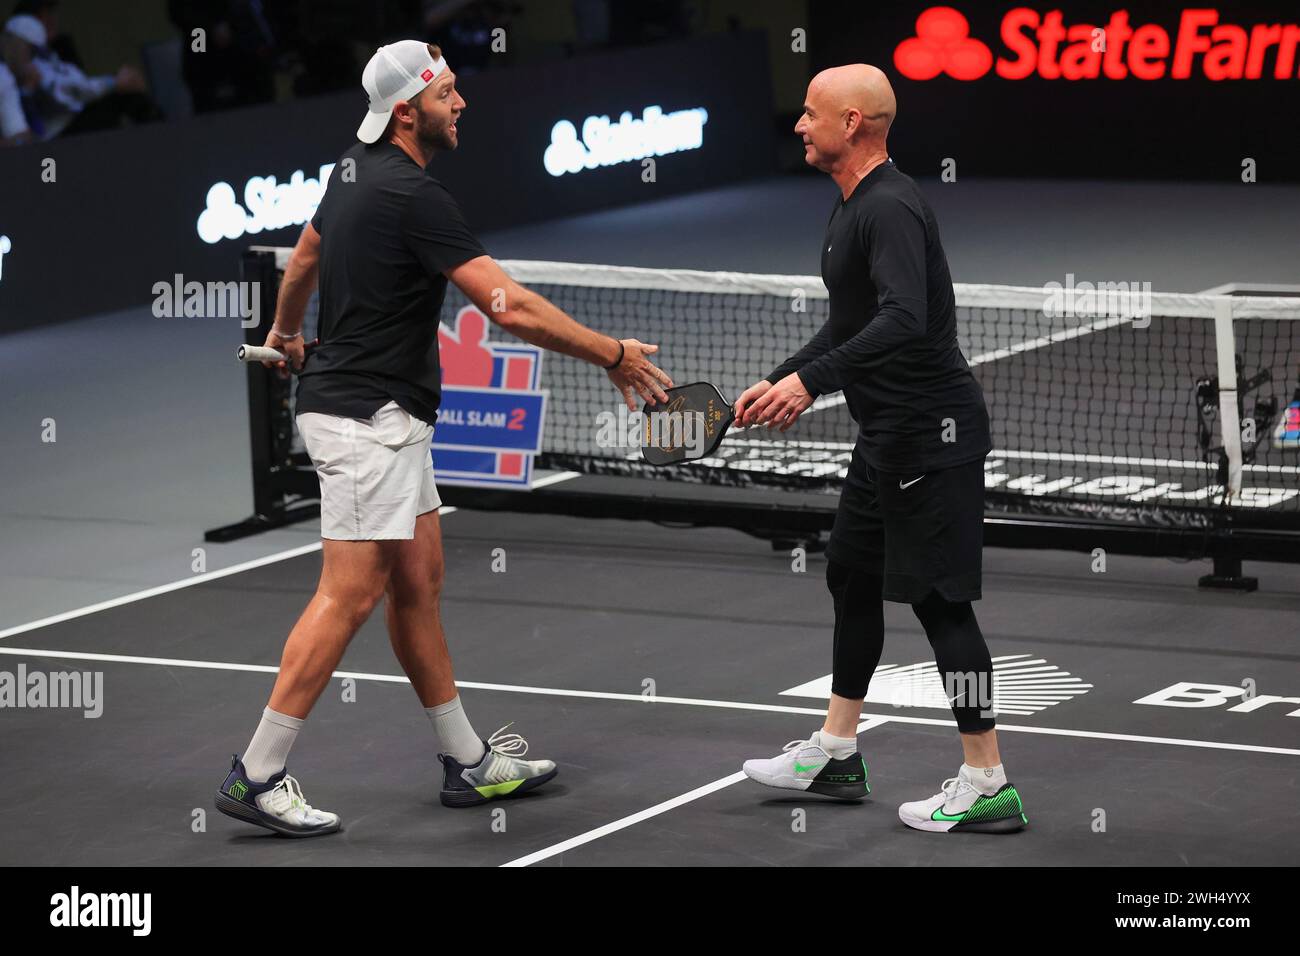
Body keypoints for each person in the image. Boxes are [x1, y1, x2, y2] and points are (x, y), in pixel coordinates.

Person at [214, 40, 673, 837]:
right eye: (448, 93)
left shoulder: (351, 170)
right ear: (408, 112)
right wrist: (613, 354)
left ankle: (466, 761)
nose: (461, 104)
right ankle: (258, 773)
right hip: (366, 422)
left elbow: (309, 255)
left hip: (381, 413)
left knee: (418, 578)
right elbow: (510, 308)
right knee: (348, 592)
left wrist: (286, 331)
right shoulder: (416, 197)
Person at [735, 64, 1027, 834]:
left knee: (940, 603)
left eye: (810, 114)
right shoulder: (851, 206)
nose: (798, 125)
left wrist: (810, 386)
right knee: (851, 574)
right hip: (886, 439)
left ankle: (987, 778)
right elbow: (850, 322)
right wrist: (782, 379)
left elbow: (903, 317)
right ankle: (837, 752)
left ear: (854, 122)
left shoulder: (890, 208)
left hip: (933, 439)